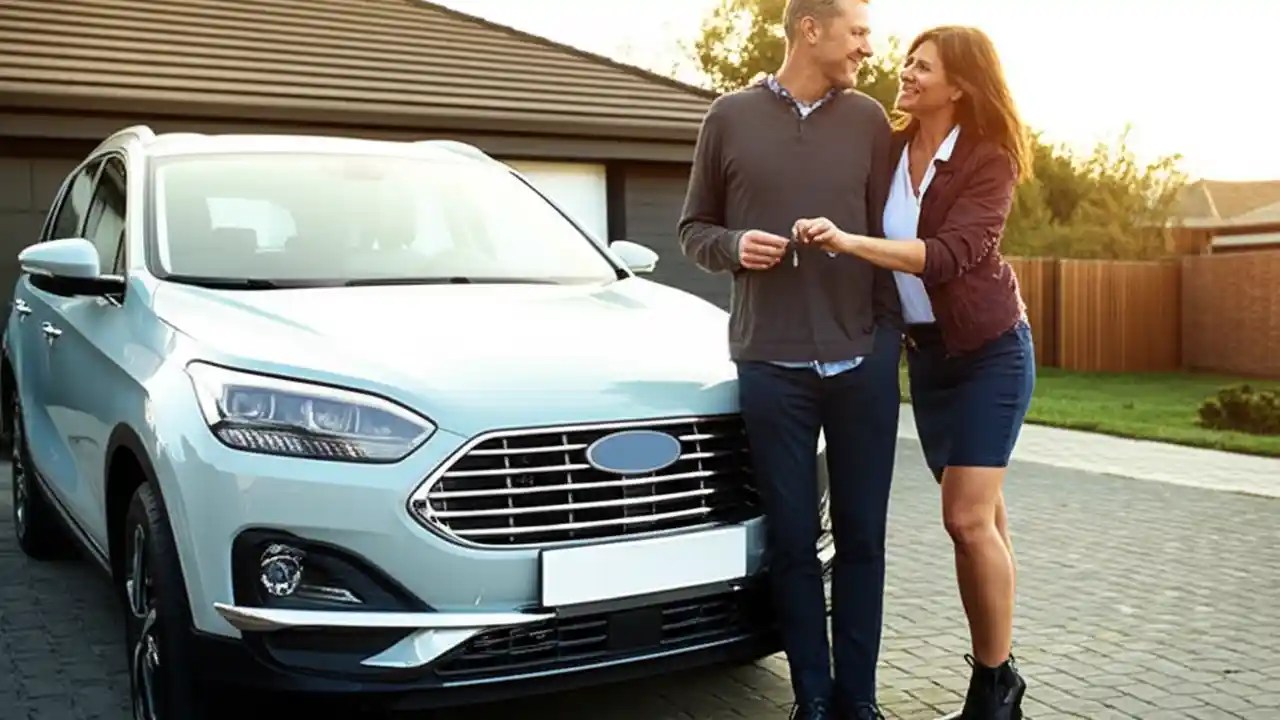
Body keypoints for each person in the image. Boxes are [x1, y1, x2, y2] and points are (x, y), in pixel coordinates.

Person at [793, 24, 1035, 720]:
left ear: (959, 83)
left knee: (964, 518)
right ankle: (1004, 666)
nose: (905, 72)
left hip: (990, 352)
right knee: (982, 519)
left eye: (922, 66)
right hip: (928, 361)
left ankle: (992, 689)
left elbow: (951, 255)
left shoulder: (990, 160)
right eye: (905, 61)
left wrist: (850, 243)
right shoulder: (891, 147)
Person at [677, 1, 903, 718]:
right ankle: (812, 696)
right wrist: (734, 246)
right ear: (812, 28)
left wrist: (882, 343)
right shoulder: (727, 118)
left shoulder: (869, 120)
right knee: (794, 541)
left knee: (864, 539)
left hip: (858, 359)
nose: (869, 46)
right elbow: (694, 228)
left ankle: (857, 701)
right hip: (771, 363)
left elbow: (890, 238)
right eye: (858, 30)